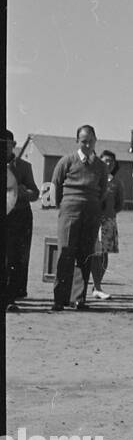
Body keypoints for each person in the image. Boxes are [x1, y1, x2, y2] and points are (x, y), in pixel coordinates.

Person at [51, 125, 109, 311]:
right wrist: (66, 205)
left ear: (95, 141)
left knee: (85, 255)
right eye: (83, 141)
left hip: (91, 214)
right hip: (69, 212)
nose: (87, 144)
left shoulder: (100, 166)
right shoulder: (66, 161)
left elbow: (102, 191)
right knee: (66, 253)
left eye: (90, 141)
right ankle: (60, 299)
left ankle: (78, 299)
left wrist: (91, 205)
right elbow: (56, 185)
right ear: (77, 141)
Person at [5, 130, 41, 311]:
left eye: (6, 143)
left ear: (13, 144)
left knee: (15, 259)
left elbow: (35, 193)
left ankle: (11, 298)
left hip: (19, 217)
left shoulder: (24, 167)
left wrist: (22, 192)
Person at [89, 150, 125, 299]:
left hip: (109, 221)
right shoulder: (94, 178)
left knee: (104, 255)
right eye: (105, 160)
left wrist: (109, 214)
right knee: (94, 254)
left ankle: (97, 285)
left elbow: (119, 204)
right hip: (93, 220)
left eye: (111, 161)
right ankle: (96, 286)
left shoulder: (116, 182)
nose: (108, 163)